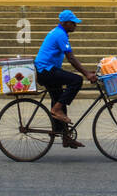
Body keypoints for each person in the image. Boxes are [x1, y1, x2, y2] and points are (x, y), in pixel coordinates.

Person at [34, 9, 98, 149]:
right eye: (73, 23)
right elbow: (71, 58)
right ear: (66, 23)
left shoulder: (58, 32)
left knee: (60, 100)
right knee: (76, 80)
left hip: (47, 70)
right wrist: (86, 74)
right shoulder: (60, 35)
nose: (75, 25)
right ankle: (56, 110)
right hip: (46, 71)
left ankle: (65, 136)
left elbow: (71, 59)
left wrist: (86, 71)